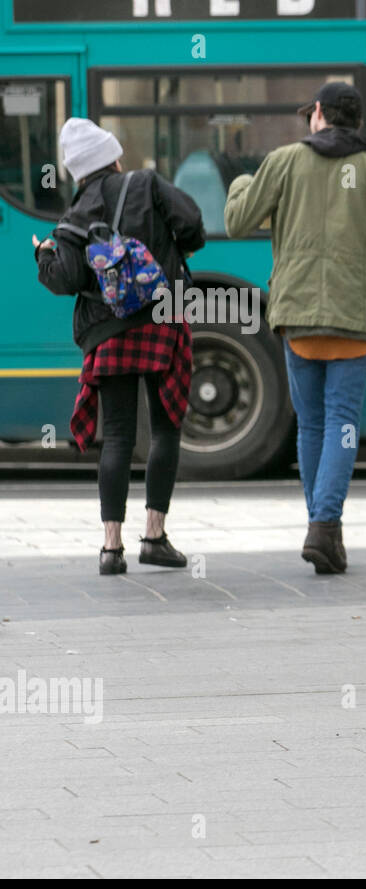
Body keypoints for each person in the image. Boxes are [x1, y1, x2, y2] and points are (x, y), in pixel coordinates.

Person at [224, 82, 366, 574]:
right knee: (342, 422)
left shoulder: (285, 161)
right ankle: (324, 527)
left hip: (298, 317)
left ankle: (322, 528)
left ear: (320, 115)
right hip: (354, 322)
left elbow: (239, 220)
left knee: (311, 424)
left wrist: (242, 183)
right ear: (359, 122)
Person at [34, 118, 205, 575]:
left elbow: (65, 280)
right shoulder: (147, 183)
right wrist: (170, 247)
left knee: (119, 436)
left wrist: (43, 254)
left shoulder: (72, 218)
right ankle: (154, 537)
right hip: (163, 319)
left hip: (108, 332)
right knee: (166, 429)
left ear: (78, 171)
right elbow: (192, 224)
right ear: (113, 156)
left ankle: (111, 549)